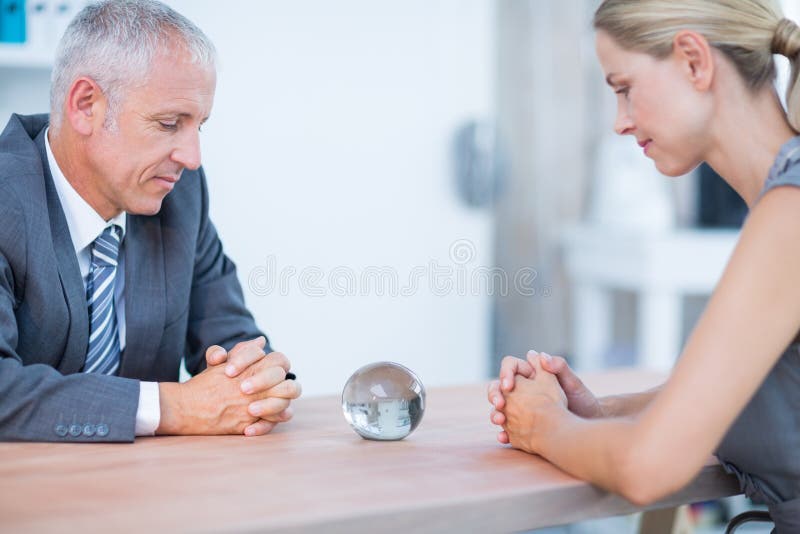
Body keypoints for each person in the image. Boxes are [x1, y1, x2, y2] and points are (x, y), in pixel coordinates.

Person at [488, 0, 800, 530]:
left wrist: (541, 424)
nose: (620, 122)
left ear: (693, 61)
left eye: (624, 87)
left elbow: (647, 470)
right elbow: (768, 386)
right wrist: (599, 413)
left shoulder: (791, 212)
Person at [0, 0, 301, 442]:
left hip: (151, 489)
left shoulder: (180, 196)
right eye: (167, 123)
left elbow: (233, 339)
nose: (192, 159)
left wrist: (259, 380)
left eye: (198, 126)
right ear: (86, 105)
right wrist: (171, 407)